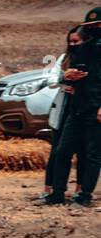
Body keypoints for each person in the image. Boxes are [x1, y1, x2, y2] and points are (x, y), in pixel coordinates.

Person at [42, 11, 100, 207]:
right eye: (90, 26)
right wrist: (66, 77)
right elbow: (61, 76)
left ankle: (84, 195)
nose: (93, 29)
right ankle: (57, 193)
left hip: (95, 108)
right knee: (62, 150)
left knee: (92, 154)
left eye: (97, 25)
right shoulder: (82, 50)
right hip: (76, 108)